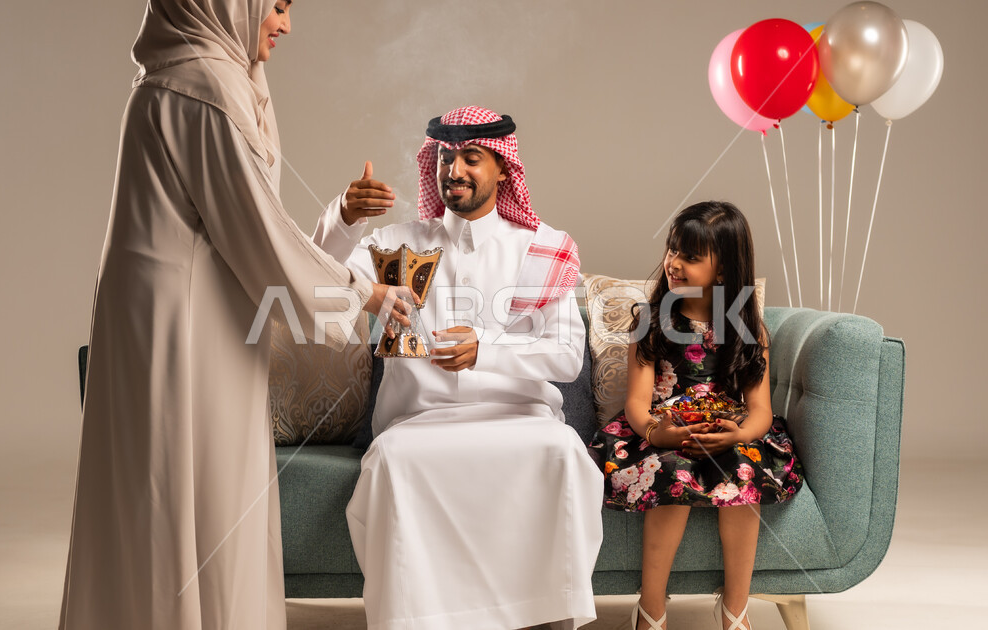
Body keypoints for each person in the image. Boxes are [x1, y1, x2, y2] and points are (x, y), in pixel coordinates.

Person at [59, 1, 408, 628]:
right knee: (191, 487)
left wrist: (341, 223)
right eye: (276, 4)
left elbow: (247, 229)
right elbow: (259, 237)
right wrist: (365, 293)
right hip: (185, 325)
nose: (285, 23)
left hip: (177, 312)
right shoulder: (205, 85)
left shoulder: (192, 72)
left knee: (163, 488)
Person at [312, 106, 603, 630]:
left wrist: (484, 351)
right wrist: (343, 218)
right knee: (393, 461)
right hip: (418, 424)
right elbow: (315, 289)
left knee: (562, 450)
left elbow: (566, 356)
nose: (455, 170)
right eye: (447, 157)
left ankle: (544, 618)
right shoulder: (393, 245)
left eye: (472, 157)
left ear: (503, 171)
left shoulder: (541, 248)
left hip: (522, 422)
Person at [588, 202, 804, 630]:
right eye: (672, 250)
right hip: (661, 430)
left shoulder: (748, 331)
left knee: (745, 471)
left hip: (730, 428)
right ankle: (651, 608)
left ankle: (735, 610)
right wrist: (657, 432)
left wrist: (738, 435)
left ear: (722, 270)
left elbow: (761, 410)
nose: (674, 262)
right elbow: (636, 401)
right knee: (673, 471)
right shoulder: (650, 322)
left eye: (690, 256)